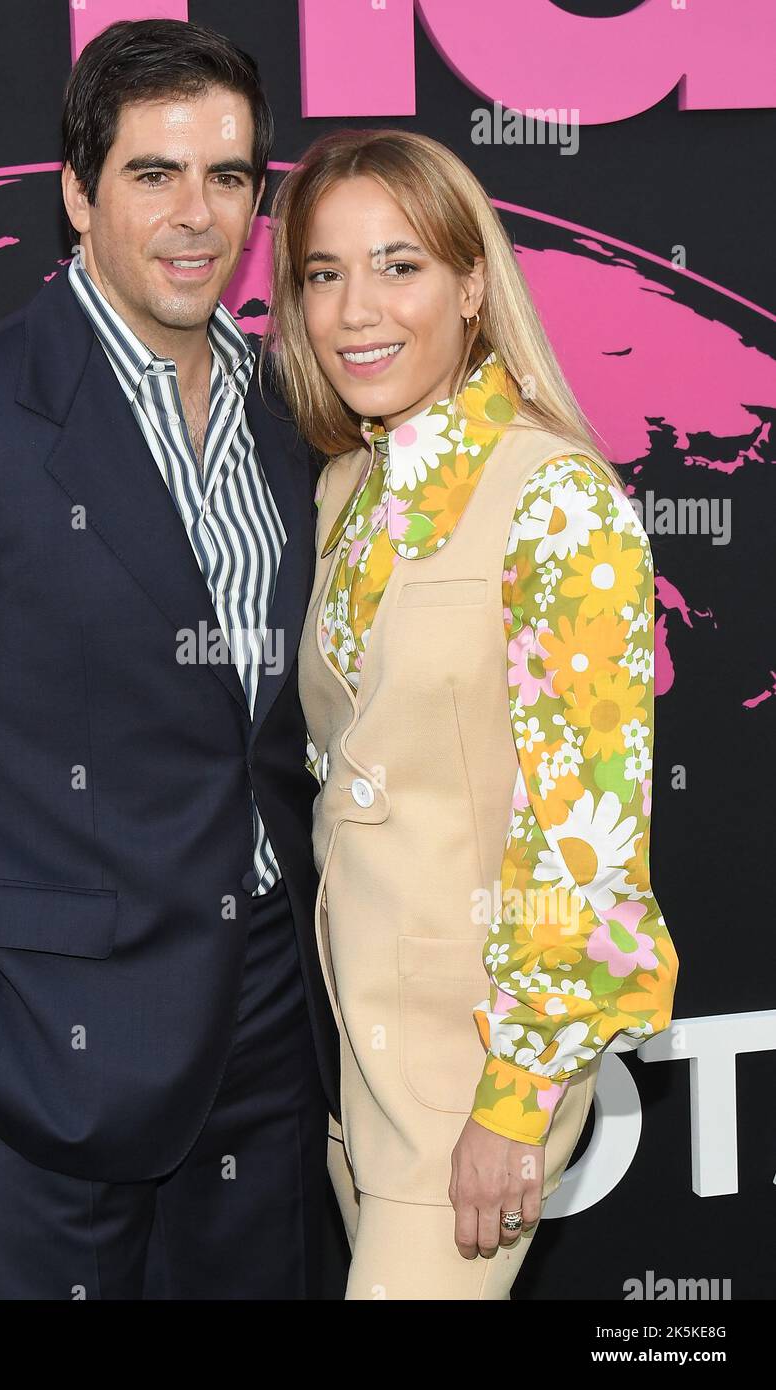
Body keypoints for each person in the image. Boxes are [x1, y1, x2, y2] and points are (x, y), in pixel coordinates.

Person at [0, 18, 342, 1299]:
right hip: (53, 1048)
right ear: (78, 193)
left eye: (228, 176)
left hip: (271, 1022)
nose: (196, 215)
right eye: (153, 174)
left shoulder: (288, 413)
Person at [264, 128, 679, 1299]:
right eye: (322, 272)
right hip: (359, 1065)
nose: (355, 309)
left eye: (397, 265)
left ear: (470, 283)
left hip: (475, 1067)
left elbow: (582, 835)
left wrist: (513, 1097)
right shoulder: (349, 480)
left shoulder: (552, 499)